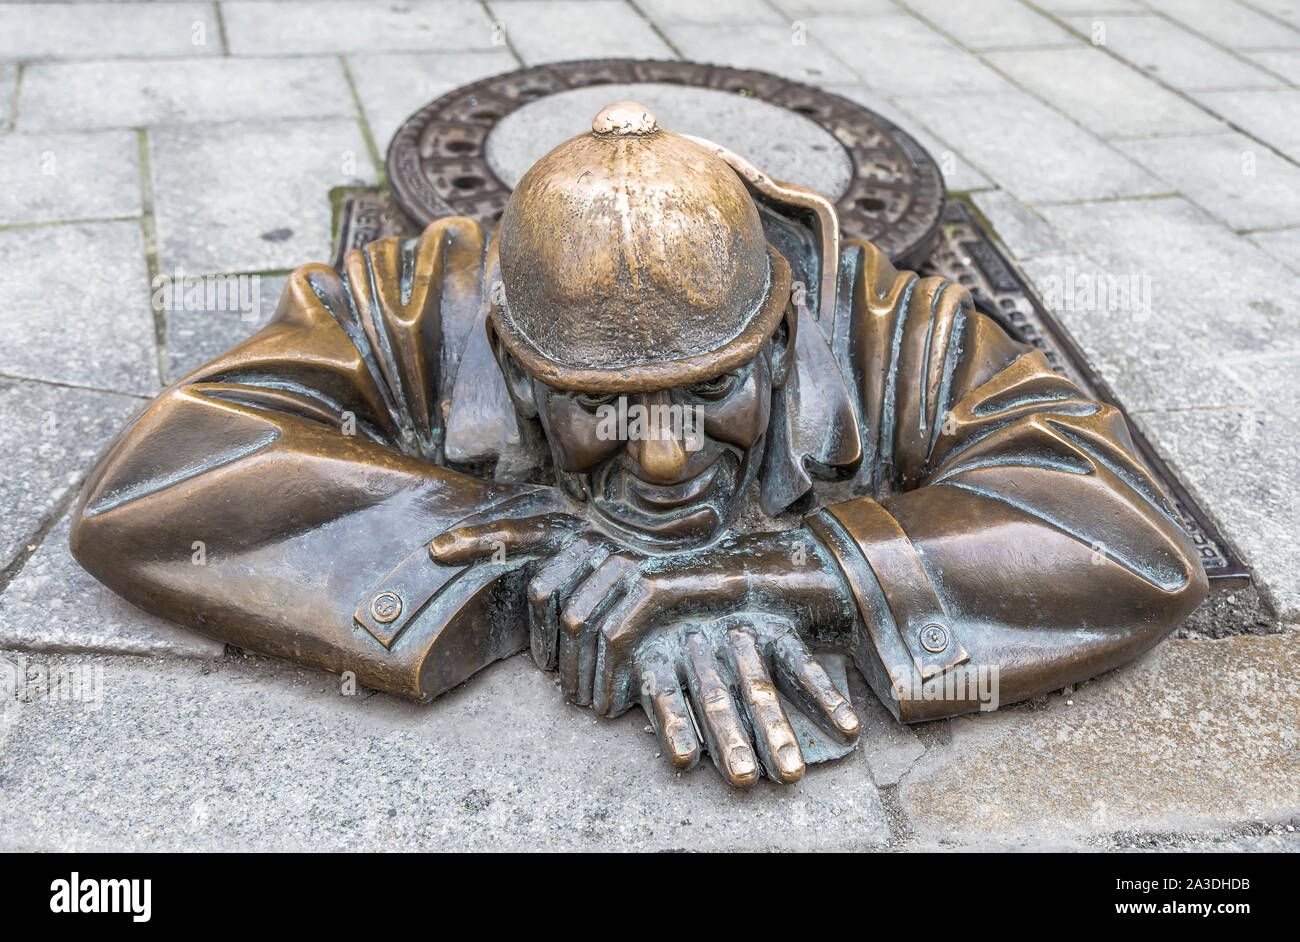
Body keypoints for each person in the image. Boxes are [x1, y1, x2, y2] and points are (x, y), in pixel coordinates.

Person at [71, 103, 1206, 787]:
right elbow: (160, 483)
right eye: (595, 408)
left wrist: (787, 572)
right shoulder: (425, 298)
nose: (662, 458)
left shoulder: (886, 322)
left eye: (713, 390)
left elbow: (1127, 534)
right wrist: (498, 549)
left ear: (777, 335)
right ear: (511, 361)